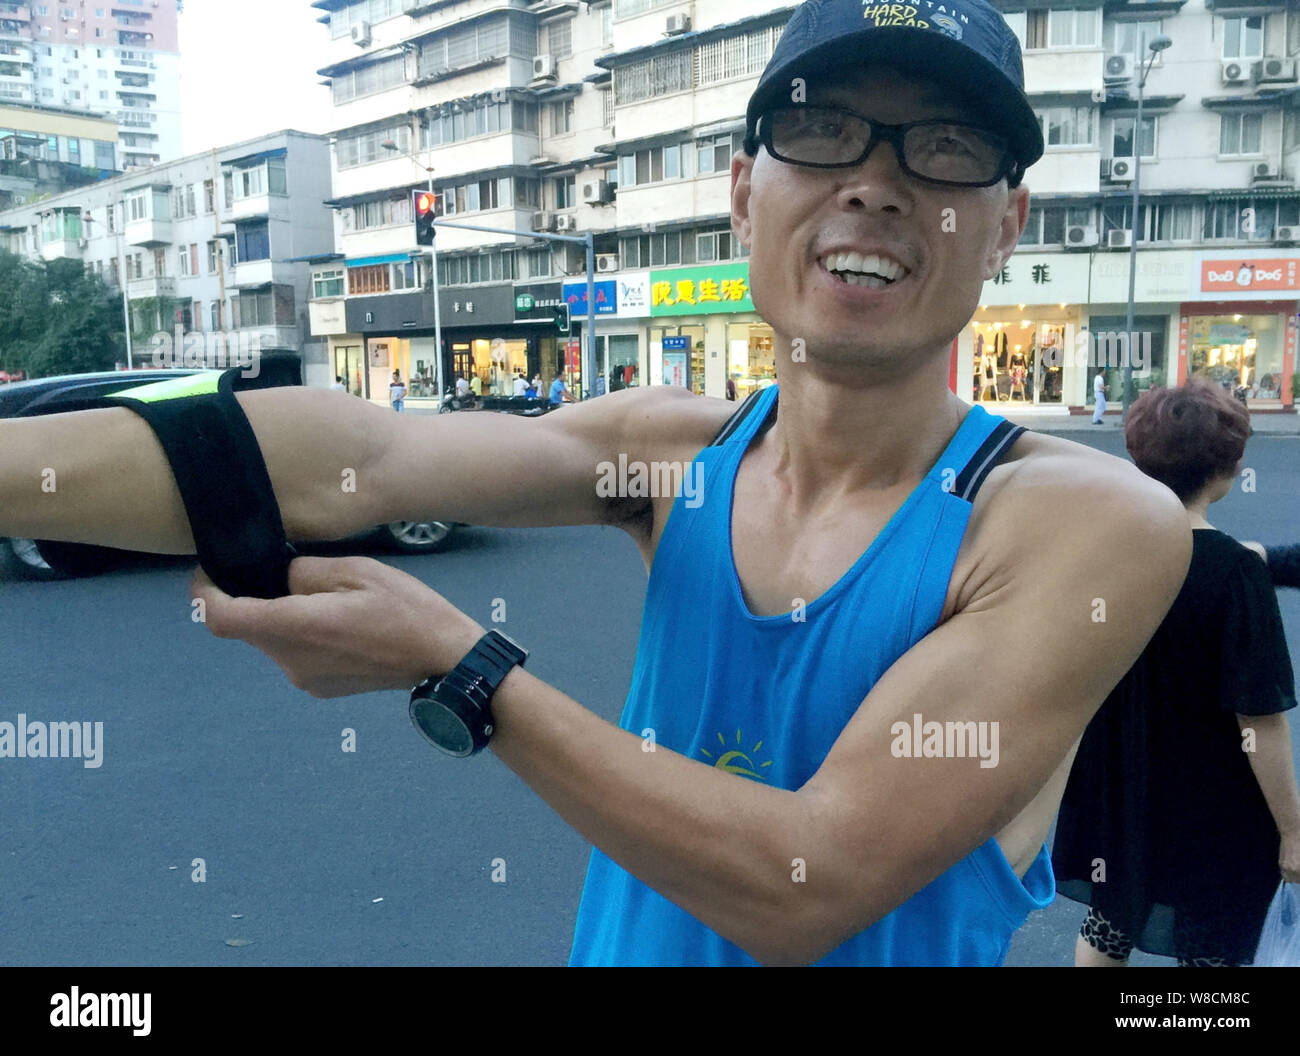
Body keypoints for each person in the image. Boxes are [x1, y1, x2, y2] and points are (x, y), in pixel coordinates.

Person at [0, 0, 1192, 966]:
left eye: (945, 148)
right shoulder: (668, 455)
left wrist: (468, 673)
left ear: (1004, 226)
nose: (876, 183)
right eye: (822, 129)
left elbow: (806, 882)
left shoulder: (1076, 521)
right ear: (742, 194)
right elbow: (351, 453)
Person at [1053, 380, 1300, 967]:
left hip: (1122, 781)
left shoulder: (1104, 553)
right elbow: (1257, 719)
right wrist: (1293, 828)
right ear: (1229, 467)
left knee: (1111, 916)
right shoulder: (1235, 574)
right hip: (1215, 802)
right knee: (1213, 939)